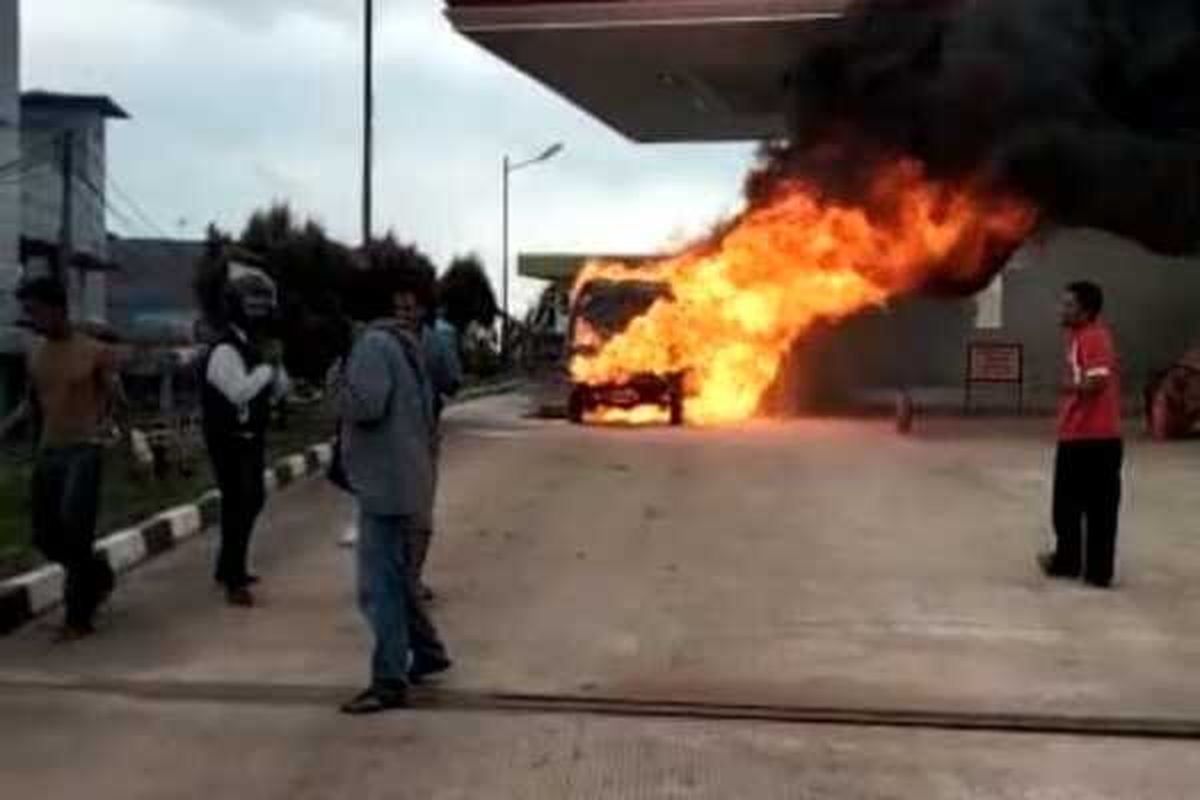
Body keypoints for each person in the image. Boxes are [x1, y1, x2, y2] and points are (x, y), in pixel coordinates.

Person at [338, 268, 452, 715]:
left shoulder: (373, 345)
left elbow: (366, 405)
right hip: (410, 476)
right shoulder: (411, 344)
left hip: (385, 483)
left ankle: (388, 681)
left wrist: (337, 387)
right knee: (400, 578)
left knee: (377, 586)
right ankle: (429, 653)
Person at [0, 277, 122, 640]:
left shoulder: (95, 351)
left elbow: (115, 397)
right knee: (45, 535)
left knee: (75, 526)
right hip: (50, 451)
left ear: (56, 309)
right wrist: (5, 427)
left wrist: (113, 425)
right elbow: (31, 402)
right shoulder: (36, 354)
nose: (31, 318)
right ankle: (97, 575)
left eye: (35, 310)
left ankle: (78, 618)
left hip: (85, 449)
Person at [200, 262, 288, 607]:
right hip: (228, 439)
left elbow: (278, 389)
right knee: (241, 501)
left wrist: (277, 371)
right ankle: (233, 578)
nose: (261, 311)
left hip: (252, 436)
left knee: (247, 501)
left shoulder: (254, 345)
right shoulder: (224, 349)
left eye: (264, 304)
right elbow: (238, 391)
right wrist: (267, 368)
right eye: (253, 304)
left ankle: (228, 566)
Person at [1038, 280, 1124, 589]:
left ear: (1086, 311)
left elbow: (1098, 382)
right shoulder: (1079, 337)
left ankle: (1093, 570)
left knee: (1095, 507)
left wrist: (1065, 388)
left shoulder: (1093, 338)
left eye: (1069, 305)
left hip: (1092, 438)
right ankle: (1071, 562)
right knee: (1068, 507)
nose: (1062, 309)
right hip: (1081, 436)